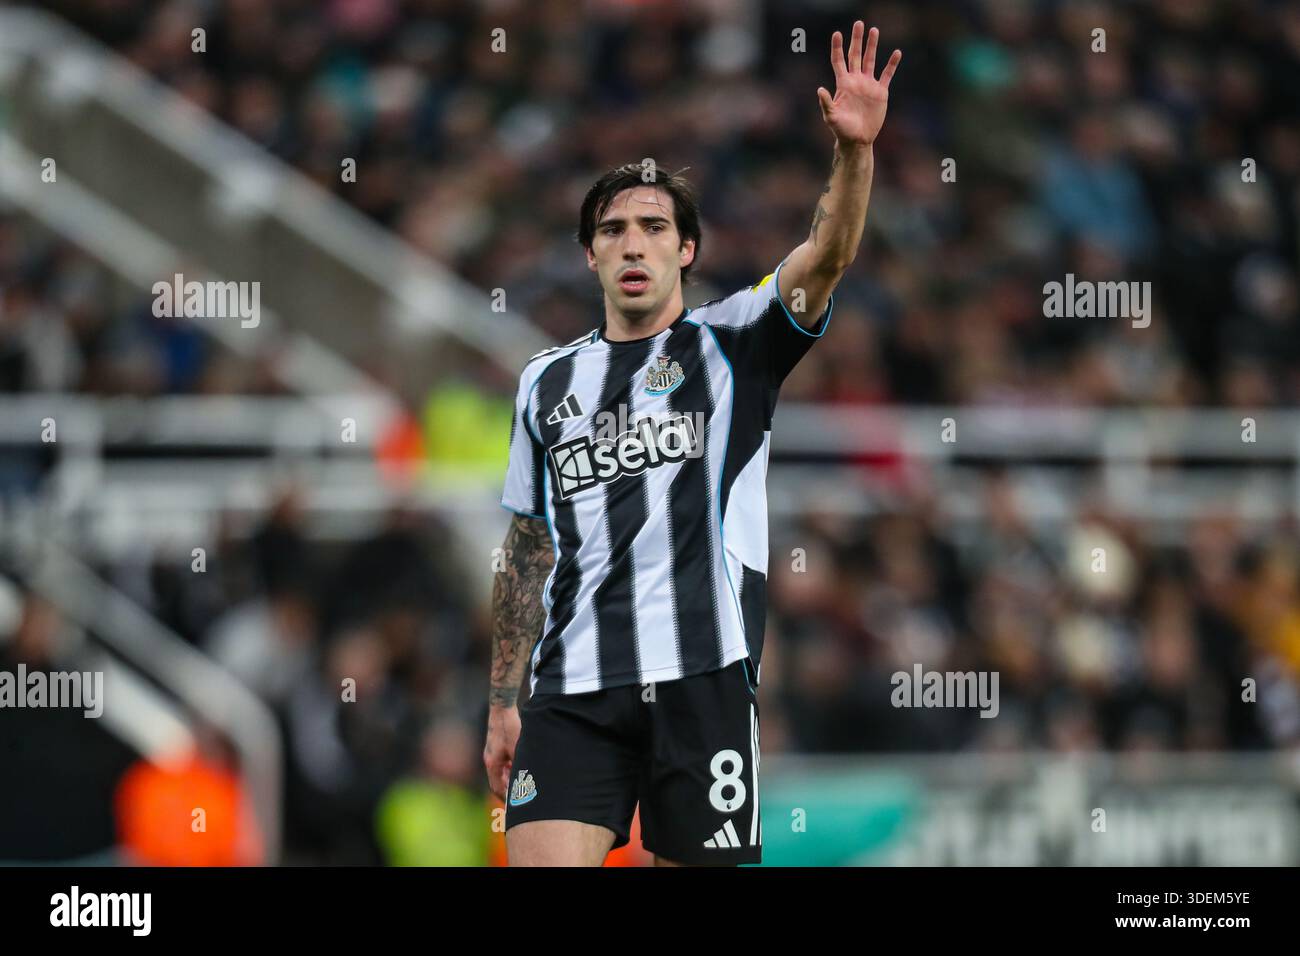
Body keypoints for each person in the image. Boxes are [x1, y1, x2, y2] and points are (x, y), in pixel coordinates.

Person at [483, 22, 901, 867]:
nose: (632, 242)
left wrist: (854, 153)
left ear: (687, 249)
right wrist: (500, 700)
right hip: (572, 688)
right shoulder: (545, 383)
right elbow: (528, 544)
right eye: (612, 230)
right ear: (590, 256)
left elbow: (827, 256)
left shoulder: (735, 341)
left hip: (702, 679)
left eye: (652, 226)